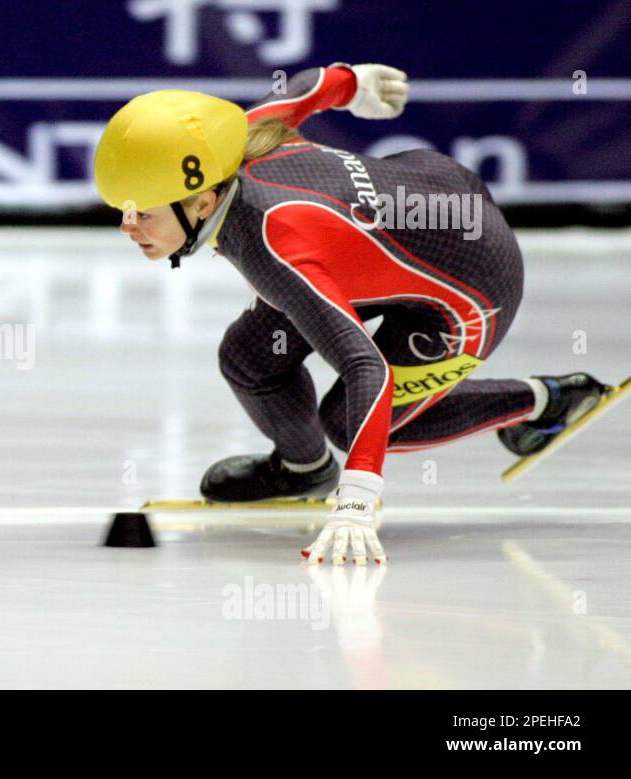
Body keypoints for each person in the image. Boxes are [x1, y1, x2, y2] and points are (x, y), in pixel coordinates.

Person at [94, 63, 611, 565]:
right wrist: (355, 81)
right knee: (250, 356)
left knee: (350, 420)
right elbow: (303, 89)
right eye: (124, 210)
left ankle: (547, 400)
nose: (128, 225)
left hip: (468, 288)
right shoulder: (227, 143)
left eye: (145, 211)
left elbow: (369, 369)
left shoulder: (273, 243)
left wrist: (356, 503)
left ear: (203, 204)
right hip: (428, 194)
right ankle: (303, 471)